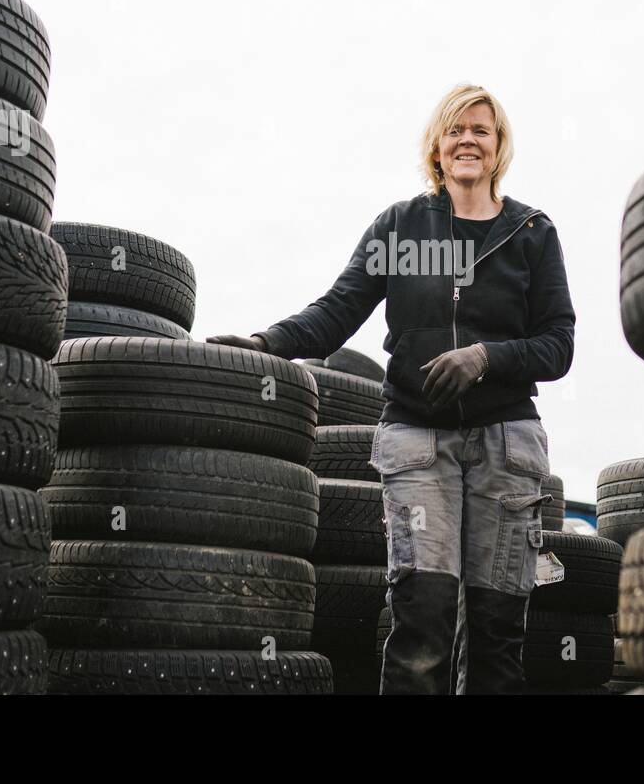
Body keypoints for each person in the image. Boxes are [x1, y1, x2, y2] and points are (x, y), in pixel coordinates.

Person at [207, 83, 575, 694]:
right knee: (422, 624)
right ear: (436, 145)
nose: (467, 140)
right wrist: (269, 342)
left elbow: (558, 344)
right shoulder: (400, 227)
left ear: (499, 145)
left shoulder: (533, 232)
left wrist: (486, 357)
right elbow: (338, 309)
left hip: (506, 446)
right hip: (417, 440)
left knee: (496, 636)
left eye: (481, 131)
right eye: (455, 129)